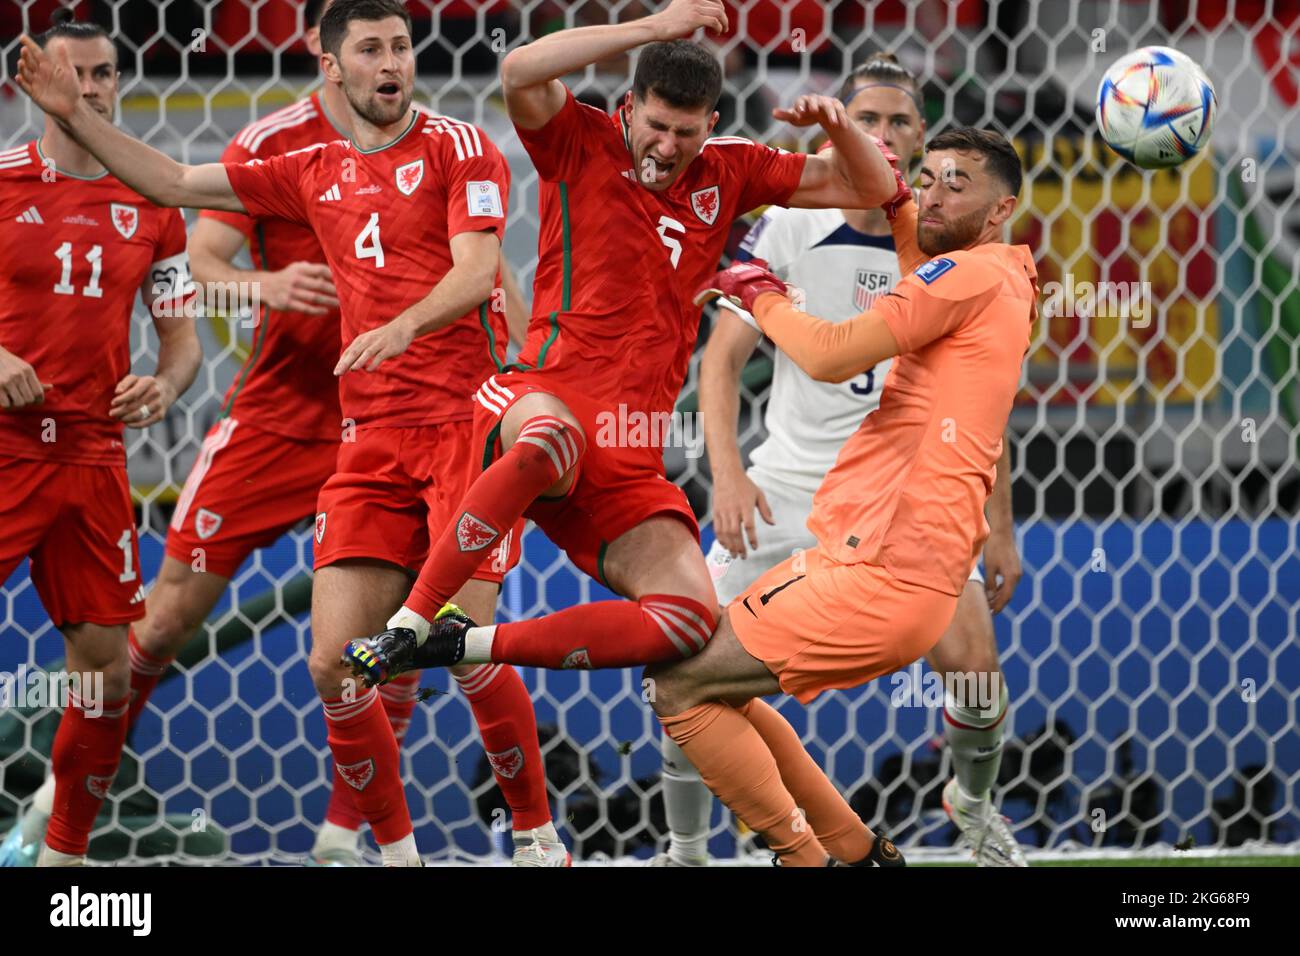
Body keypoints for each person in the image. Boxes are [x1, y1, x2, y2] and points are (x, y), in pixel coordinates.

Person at [14, 0, 564, 867]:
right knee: (272, 649)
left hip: (453, 423)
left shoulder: (460, 146)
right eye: (372, 48)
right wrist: (74, 114)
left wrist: (433, 340)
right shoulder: (298, 159)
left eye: (403, 47)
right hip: (325, 423)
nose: (392, 62)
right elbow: (177, 200)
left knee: (450, 640)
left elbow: (484, 273)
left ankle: (516, 841)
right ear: (330, 60)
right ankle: (380, 852)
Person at [337, 1, 893, 708]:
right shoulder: (580, 138)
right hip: (534, 395)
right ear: (629, 107)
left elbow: (872, 187)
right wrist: (656, 26)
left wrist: (840, 128)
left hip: (627, 452)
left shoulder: (732, 172)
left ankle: (466, 641)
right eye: (655, 126)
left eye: (685, 134)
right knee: (550, 439)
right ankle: (414, 622)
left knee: (689, 620)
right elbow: (518, 69)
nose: (665, 147)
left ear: (712, 126)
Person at [656, 53, 1026, 868]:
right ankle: (685, 849)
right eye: (868, 121)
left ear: (922, 136)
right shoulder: (793, 223)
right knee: (683, 659)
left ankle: (972, 808)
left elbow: (980, 412)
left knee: (975, 677)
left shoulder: (956, 262)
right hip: (784, 486)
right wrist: (728, 472)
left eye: (900, 122)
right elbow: (720, 361)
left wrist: (998, 528)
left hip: (908, 503)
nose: (885, 136)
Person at [0, 16, 200, 867]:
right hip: (4, 446)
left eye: (104, 73)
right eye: (73, 72)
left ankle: (61, 858)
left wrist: (167, 381)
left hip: (92, 458)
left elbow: (183, 337)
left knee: (107, 672)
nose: (89, 88)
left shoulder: (154, 199)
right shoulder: (2, 181)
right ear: (31, 79)